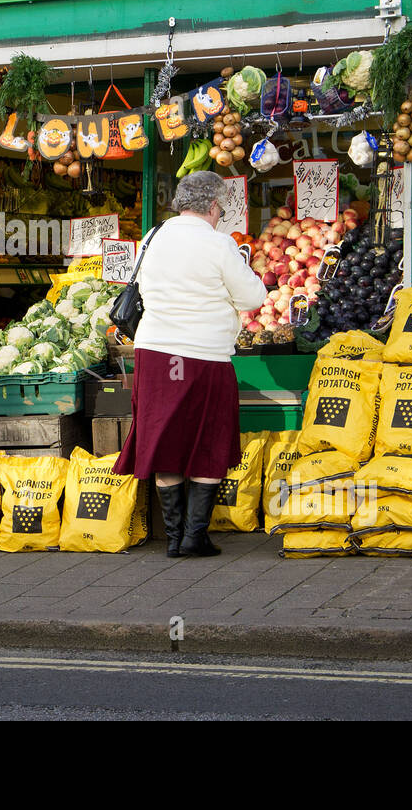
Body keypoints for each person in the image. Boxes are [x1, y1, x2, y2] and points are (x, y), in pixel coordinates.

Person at [112, 171, 267, 558]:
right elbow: (252, 297)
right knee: (208, 439)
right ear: (213, 206)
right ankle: (195, 536)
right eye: (222, 208)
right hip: (203, 355)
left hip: (156, 352)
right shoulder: (219, 244)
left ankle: (174, 538)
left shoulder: (153, 237)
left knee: (165, 437)